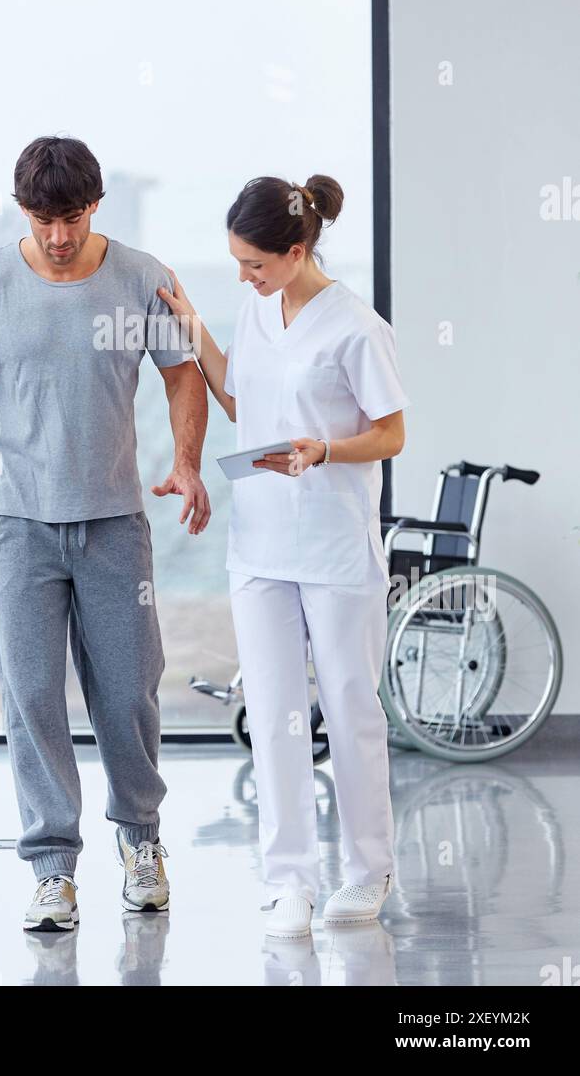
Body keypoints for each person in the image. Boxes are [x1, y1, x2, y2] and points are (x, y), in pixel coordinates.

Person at [0, 136, 211, 932]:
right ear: (21, 210)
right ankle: (52, 869)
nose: (58, 235)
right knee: (30, 696)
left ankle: (141, 844)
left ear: (95, 205)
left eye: (71, 216)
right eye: (41, 217)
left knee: (127, 693)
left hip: (114, 523)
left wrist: (189, 464)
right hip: (20, 526)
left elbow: (184, 373)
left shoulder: (140, 278)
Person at [158, 174, 410, 939]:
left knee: (349, 708)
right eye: (237, 263)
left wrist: (326, 448)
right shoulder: (256, 308)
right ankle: (289, 879)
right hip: (260, 545)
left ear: (297, 251)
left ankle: (369, 870)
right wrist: (197, 326)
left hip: (334, 547)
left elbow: (392, 434)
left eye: (255, 264)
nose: (245, 275)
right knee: (272, 715)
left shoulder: (357, 328)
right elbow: (240, 399)